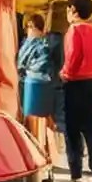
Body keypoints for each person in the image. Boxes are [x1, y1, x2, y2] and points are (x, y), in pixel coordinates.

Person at [60, 0, 92, 182]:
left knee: (72, 129)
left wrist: (65, 73)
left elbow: (73, 55)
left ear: (74, 11)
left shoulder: (74, 30)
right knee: (90, 127)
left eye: (69, 9)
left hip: (77, 83)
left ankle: (76, 172)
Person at [17, 14, 58, 165]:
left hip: (32, 83)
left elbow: (20, 62)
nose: (27, 30)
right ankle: (49, 154)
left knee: (31, 120)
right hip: (47, 84)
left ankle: (35, 154)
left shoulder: (32, 43)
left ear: (33, 26)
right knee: (46, 119)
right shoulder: (47, 43)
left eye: (28, 27)